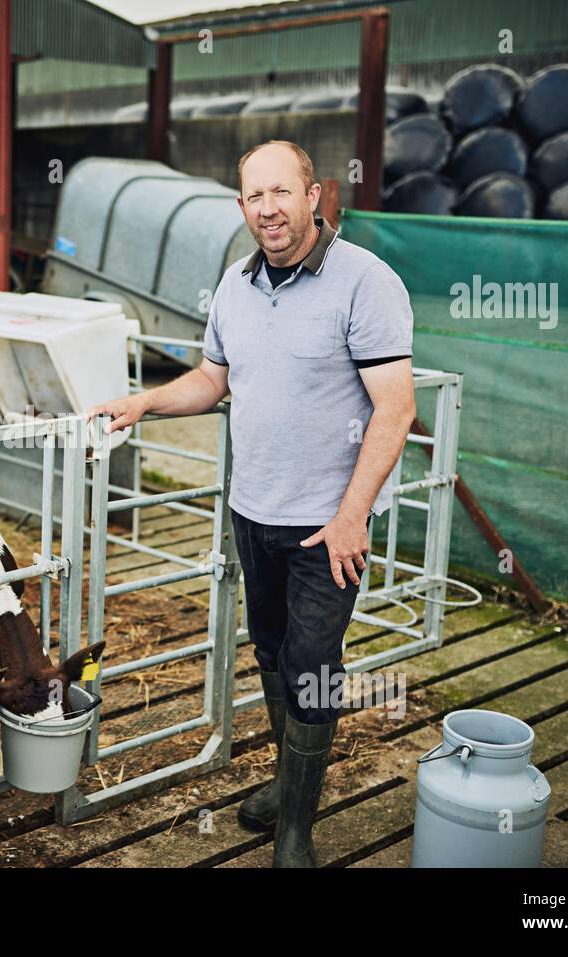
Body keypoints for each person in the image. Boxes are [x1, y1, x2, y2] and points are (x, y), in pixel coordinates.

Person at [88, 140, 415, 867]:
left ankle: (296, 829)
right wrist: (144, 401)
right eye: (253, 196)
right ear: (241, 208)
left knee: (312, 665)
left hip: (329, 523)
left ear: (315, 195)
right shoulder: (236, 283)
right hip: (254, 509)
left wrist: (353, 513)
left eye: (281, 192)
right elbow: (212, 379)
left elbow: (394, 409)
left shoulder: (366, 282)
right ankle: (284, 785)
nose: (267, 208)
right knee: (270, 652)